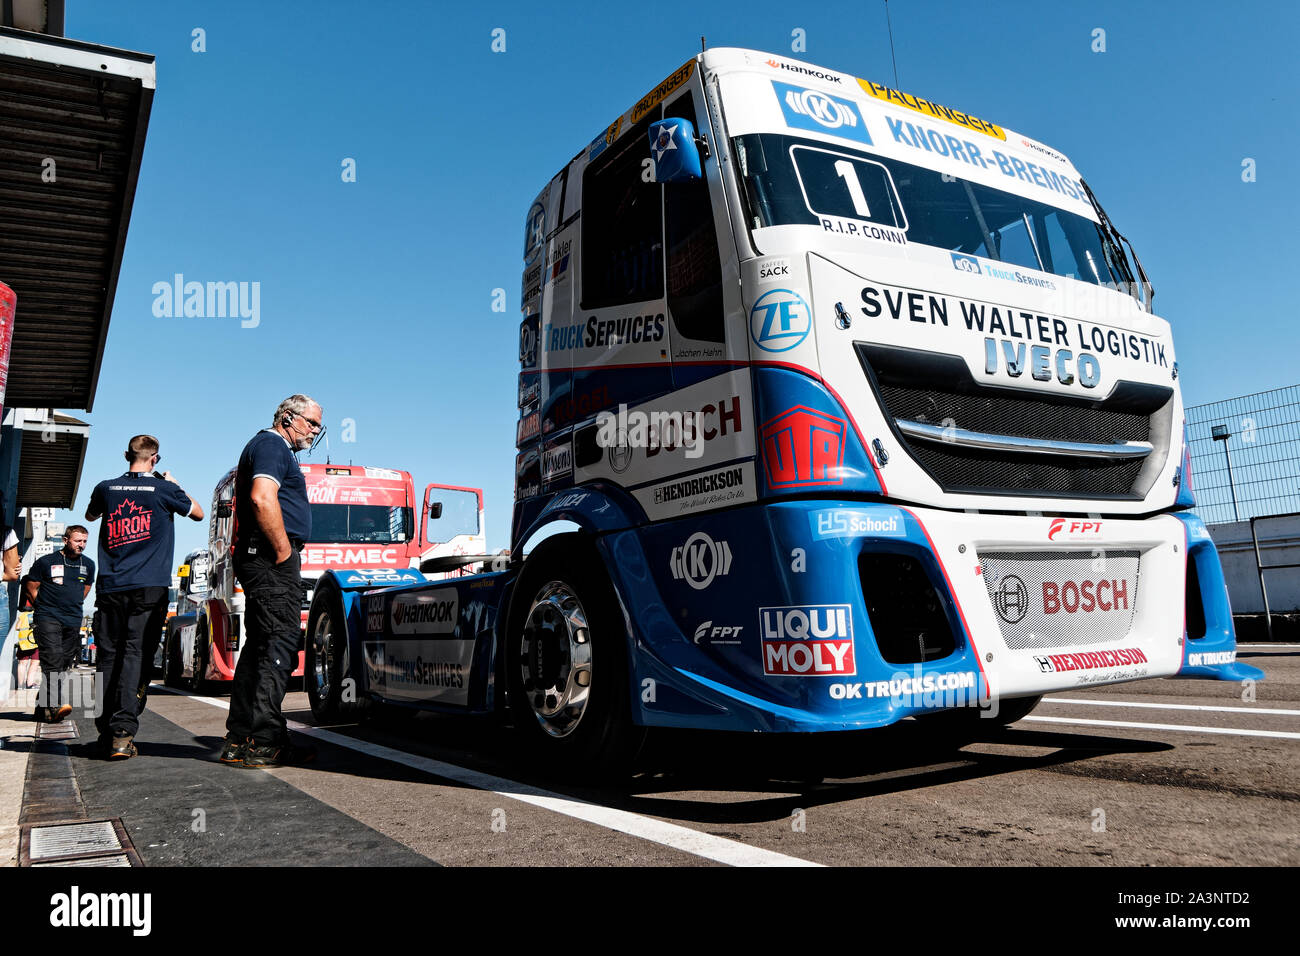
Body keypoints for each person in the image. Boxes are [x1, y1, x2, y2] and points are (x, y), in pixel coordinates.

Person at [86, 435, 204, 759]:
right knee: (135, 655)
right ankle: (122, 733)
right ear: (155, 459)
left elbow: (90, 516)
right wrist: (174, 484)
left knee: (107, 657)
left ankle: (103, 731)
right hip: (149, 587)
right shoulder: (165, 489)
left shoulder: (105, 488)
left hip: (111, 586)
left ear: (126, 455)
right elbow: (198, 513)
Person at [220, 395, 322, 769]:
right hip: (269, 556)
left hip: (257, 555)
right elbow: (263, 498)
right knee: (279, 643)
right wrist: (282, 551)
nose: (314, 431)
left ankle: (240, 737)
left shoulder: (269, 446)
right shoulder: (271, 445)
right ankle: (265, 741)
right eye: (311, 423)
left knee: (260, 645)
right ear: (288, 418)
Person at [26, 527, 94, 723]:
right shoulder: (46, 562)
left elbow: (85, 589)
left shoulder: (88, 564)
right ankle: (54, 705)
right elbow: (31, 586)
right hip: (47, 617)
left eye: (84, 541)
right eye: (77, 541)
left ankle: (42, 707)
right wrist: (46, 606)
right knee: (53, 659)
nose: (81, 545)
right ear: (66, 540)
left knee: (63, 663)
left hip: (72, 620)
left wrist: (70, 606)